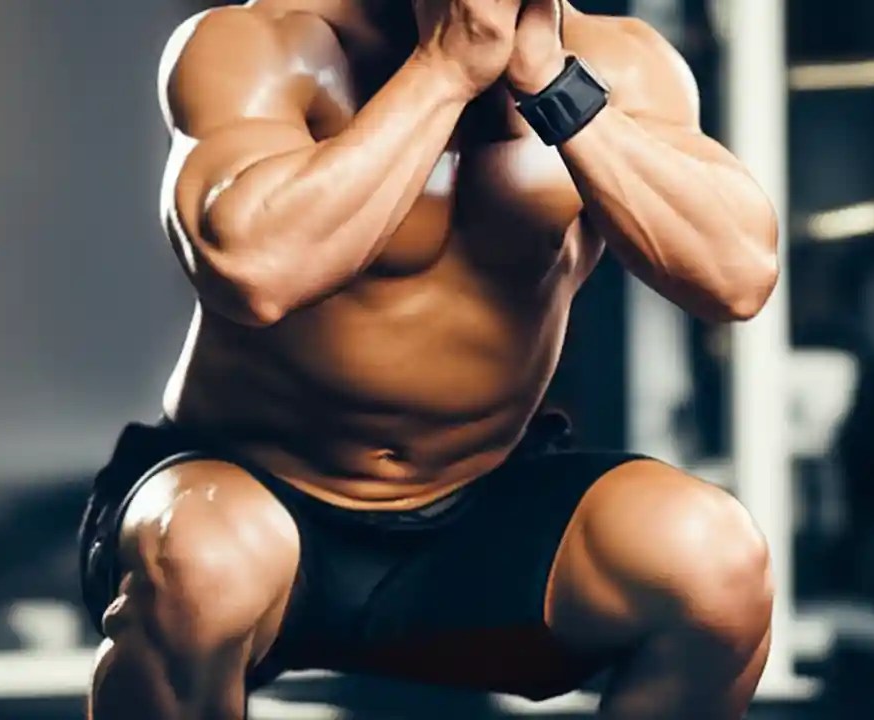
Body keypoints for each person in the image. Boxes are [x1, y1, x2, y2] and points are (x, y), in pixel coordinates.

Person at [79, 0, 780, 716]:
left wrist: (549, 81)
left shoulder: (622, 63)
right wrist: (445, 68)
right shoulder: (262, 42)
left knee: (716, 563)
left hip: (480, 507)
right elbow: (252, 271)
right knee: (195, 558)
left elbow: (739, 275)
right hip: (254, 495)